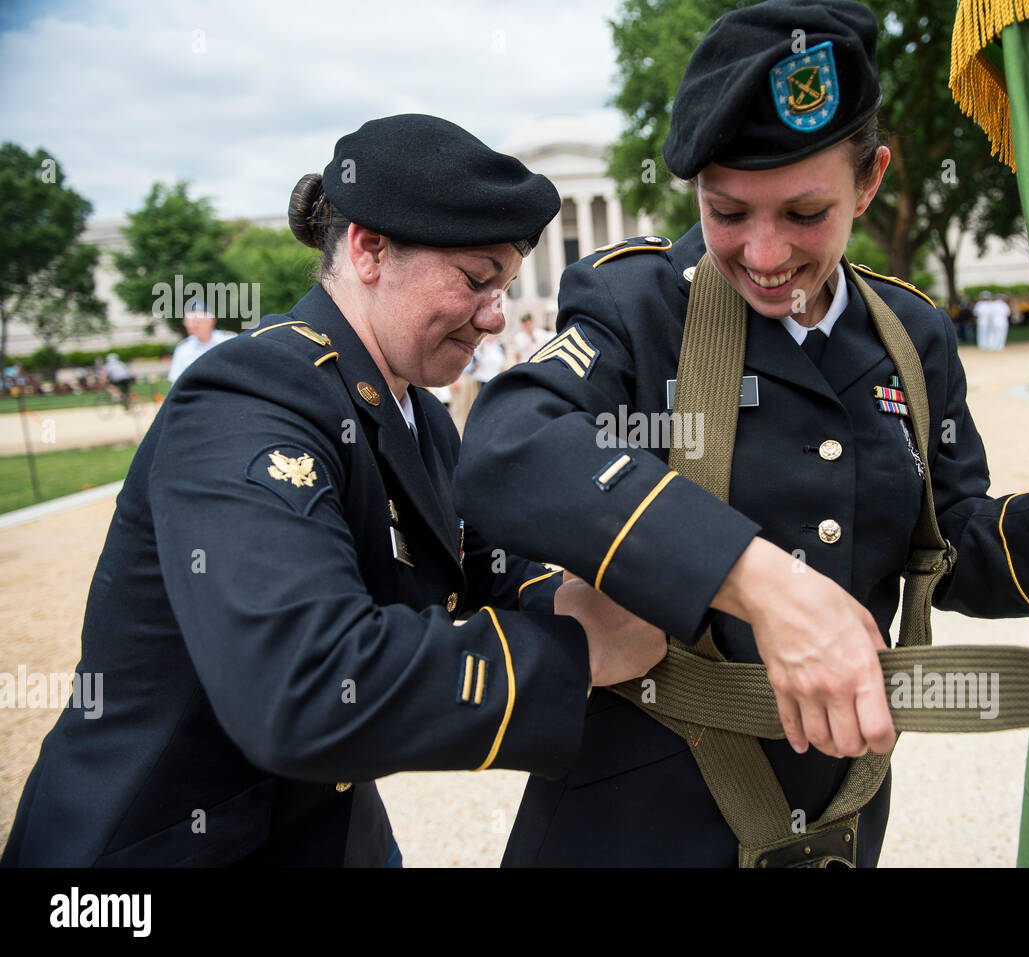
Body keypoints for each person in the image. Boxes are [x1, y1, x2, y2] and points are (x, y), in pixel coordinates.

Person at [454, 0, 1029, 867]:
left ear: (869, 180)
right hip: (635, 824)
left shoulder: (911, 335)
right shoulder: (638, 305)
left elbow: (955, 544)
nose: (764, 254)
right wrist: (755, 581)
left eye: (803, 213)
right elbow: (509, 449)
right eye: (728, 212)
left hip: (836, 824)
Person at [1, 114, 665, 868]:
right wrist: (573, 653)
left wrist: (578, 591)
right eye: (477, 281)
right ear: (369, 248)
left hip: (330, 835)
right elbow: (304, 682)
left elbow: (481, 566)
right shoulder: (247, 398)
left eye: (505, 287)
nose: (495, 316)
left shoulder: (412, 409)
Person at [168, 300, 236, 382]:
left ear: (211, 321)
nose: (191, 325)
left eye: (196, 321)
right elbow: (176, 381)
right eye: (188, 322)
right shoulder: (183, 349)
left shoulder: (230, 340)